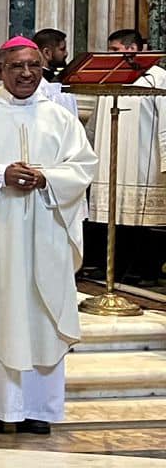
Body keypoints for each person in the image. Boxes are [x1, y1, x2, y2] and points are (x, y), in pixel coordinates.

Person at [0, 36, 98, 434]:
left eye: (33, 67)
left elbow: (82, 166)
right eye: (16, 67)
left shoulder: (59, 116)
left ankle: (38, 409)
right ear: (0, 70)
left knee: (40, 316)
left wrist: (47, 177)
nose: (26, 74)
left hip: (45, 235)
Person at [86, 27, 166, 280]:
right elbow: (96, 121)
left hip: (144, 158)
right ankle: (113, 266)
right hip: (110, 157)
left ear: (133, 49)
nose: (111, 55)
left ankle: (144, 268)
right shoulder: (108, 75)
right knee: (112, 212)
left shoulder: (157, 78)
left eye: (115, 50)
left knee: (140, 216)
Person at [33, 28, 79, 116]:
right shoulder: (36, 86)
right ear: (47, 53)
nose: (66, 53)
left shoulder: (65, 82)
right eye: (62, 49)